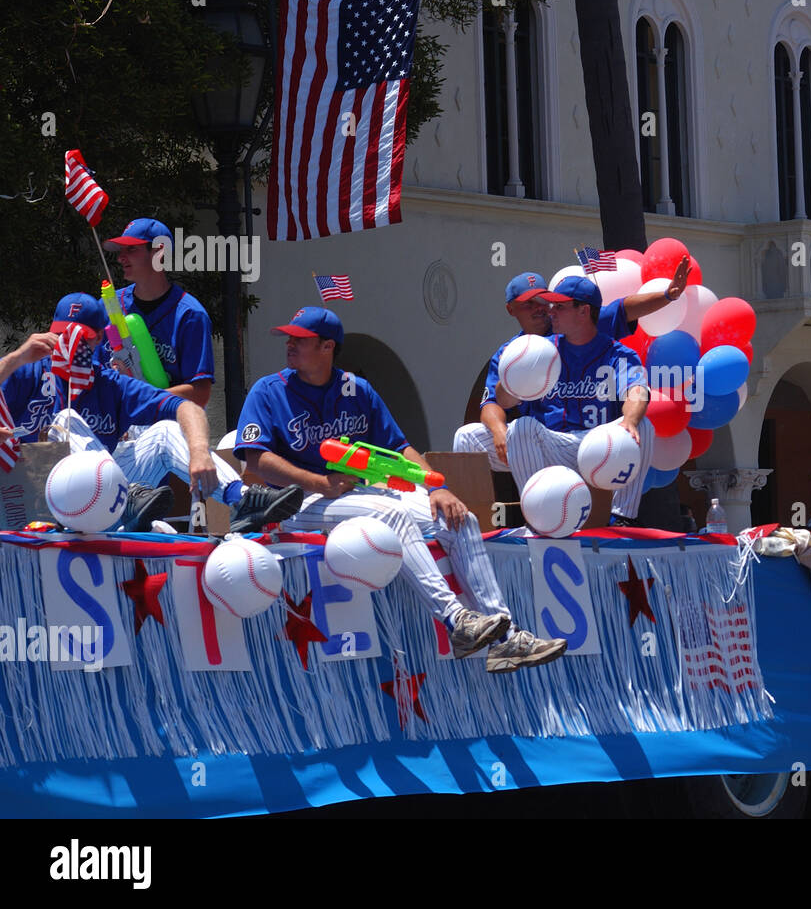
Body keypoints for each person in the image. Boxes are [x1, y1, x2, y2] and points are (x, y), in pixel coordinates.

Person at [234, 306, 566, 673]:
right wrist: (317, 482)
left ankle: (507, 640)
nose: (290, 344)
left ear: (328, 347)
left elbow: (400, 447)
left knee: (460, 517)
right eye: (290, 338)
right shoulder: (269, 390)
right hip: (296, 501)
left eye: (301, 339)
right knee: (389, 513)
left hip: (355, 496)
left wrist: (434, 486)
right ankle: (457, 620)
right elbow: (255, 460)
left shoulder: (356, 389)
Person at [0, 293, 300, 533]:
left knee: (166, 431)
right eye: (62, 334)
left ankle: (243, 500)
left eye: (82, 337)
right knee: (64, 420)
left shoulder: (110, 383)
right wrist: (16, 358)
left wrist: (199, 452)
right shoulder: (27, 372)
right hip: (29, 496)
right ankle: (126, 496)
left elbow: (186, 407)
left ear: (98, 340)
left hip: (102, 495)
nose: (70, 344)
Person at [454, 261, 689, 470]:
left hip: (592, 438)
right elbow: (493, 403)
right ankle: (470, 515)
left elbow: (624, 308)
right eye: (528, 303)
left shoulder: (576, 325)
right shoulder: (510, 353)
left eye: (543, 300)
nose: (540, 307)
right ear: (511, 309)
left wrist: (667, 295)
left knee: (643, 426)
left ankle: (618, 515)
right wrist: (499, 431)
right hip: (540, 440)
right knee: (469, 436)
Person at [500, 277, 655, 524]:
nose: (550, 311)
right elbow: (505, 401)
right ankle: (536, 516)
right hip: (555, 444)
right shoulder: (540, 349)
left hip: (599, 446)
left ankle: (620, 518)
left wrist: (631, 420)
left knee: (644, 427)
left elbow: (637, 391)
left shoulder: (617, 353)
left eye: (559, 306)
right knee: (522, 427)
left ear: (583, 311)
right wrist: (513, 377)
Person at [97, 218, 215, 408]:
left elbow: (200, 393)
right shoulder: (106, 306)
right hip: (114, 425)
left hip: (167, 427)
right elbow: (88, 373)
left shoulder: (190, 314)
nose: (120, 258)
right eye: (121, 250)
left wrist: (140, 399)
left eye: (132, 249)